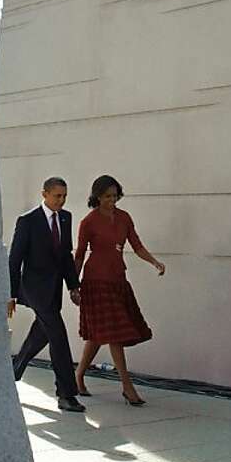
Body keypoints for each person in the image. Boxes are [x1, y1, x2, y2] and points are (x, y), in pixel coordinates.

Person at [73, 174, 165, 406]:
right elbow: (80, 254)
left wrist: (154, 262)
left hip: (117, 279)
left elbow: (137, 245)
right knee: (113, 334)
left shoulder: (124, 218)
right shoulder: (89, 221)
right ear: (97, 196)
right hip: (95, 281)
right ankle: (127, 385)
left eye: (115, 196)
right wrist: (73, 284)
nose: (112, 201)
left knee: (98, 334)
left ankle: (78, 375)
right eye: (107, 197)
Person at [8, 176, 85, 412]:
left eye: (64, 196)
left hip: (54, 290)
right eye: (56, 196)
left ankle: (14, 370)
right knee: (58, 336)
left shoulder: (65, 217)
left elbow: (65, 256)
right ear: (44, 194)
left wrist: (73, 285)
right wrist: (10, 294)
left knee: (41, 333)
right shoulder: (27, 221)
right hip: (33, 289)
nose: (61, 201)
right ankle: (66, 394)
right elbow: (14, 260)